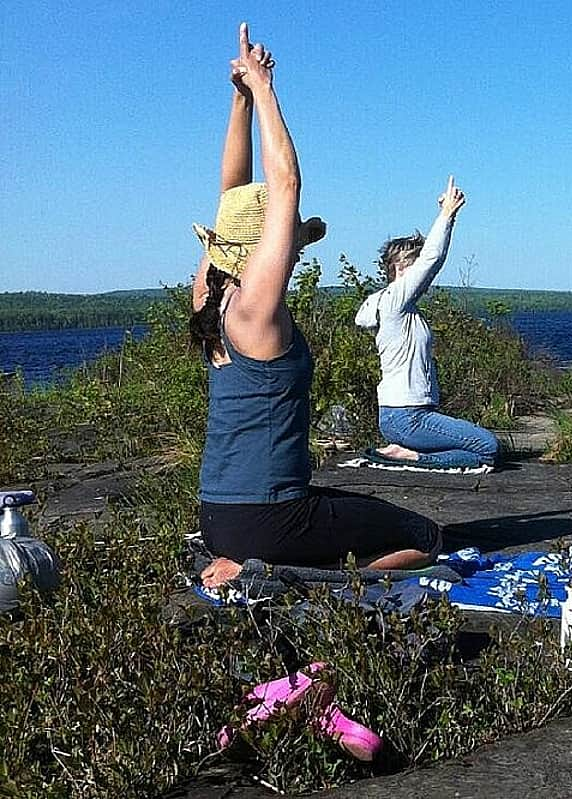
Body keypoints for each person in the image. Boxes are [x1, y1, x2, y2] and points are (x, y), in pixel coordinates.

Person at [191, 24, 441, 588]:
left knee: (344, 506)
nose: (294, 251)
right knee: (424, 539)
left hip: (218, 515)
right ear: (263, 249)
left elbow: (233, 193)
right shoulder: (255, 310)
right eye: (287, 243)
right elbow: (284, 186)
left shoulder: (210, 294)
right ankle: (280, 575)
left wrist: (239, 99)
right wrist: (264, 90)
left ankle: (268, 559)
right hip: (267, 523)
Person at [354, 179, 499, 471]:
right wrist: (447, 215)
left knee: (475, 446)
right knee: (487, 448)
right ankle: (414, 457)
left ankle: (405, 450)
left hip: (401, 417)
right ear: (401, 269)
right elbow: (433, 258)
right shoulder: (394, 301)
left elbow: (428, 261)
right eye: (416, 266)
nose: (425, 277)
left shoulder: (400, 308)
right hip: (408, 417)